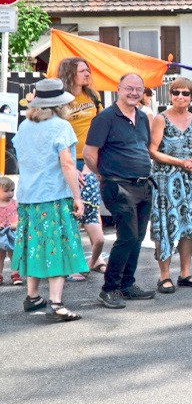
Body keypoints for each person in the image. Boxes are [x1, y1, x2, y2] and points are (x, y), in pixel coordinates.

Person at [14, 78, 88, 321]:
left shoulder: (24, 126)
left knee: (34, 245)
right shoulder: (60, 126)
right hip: (53, 195)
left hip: (27, 196)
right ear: (60, 104)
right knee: (57, 246)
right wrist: (77, 196)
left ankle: (33, 296)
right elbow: (67, 163)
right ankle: (56, 304)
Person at [86, 73, 158, 309]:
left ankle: (127, 284)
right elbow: (89, 154)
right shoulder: (105, 118)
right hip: (118, 185)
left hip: (143, 185)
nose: (134, 93)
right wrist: (104, 174)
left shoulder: (143, 117)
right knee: (127, 236)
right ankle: (109, 289)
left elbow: (144, 148)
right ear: (119, 88)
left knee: (137, 237)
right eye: (129, 88)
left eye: (138, 89)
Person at [148, 77, 192, 293]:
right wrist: (178, 162)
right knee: (165, 224)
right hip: (166, 177)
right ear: (170, 95)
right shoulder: (161, 119)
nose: (180, 97)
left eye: (185, 93)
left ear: (191, 97)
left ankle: (185, 273)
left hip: (190, 178)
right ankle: (164, 276)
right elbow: (153, 150)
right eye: (176, 93)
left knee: (189, 224)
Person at [57, 56, 106, 276]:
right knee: (71, 214)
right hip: (66, 161)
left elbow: (103, 127)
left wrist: (92, 165)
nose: (87, 74)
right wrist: (68, 166)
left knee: (91, 207)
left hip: (91, 161)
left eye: (88, 70)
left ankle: (96, 259)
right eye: (82, 71)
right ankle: (72, 263)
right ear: (70, 74)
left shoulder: (93, 96)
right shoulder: (60, 100)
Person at [0, 176, 16, 285]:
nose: (10, 193)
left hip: (12, 232)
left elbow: (21, 216)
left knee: (13, 253)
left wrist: (16, 223)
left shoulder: (15, 203)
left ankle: (15, 274)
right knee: (0, 255)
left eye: (12, 190)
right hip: (0, 233)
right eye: (6, 191)